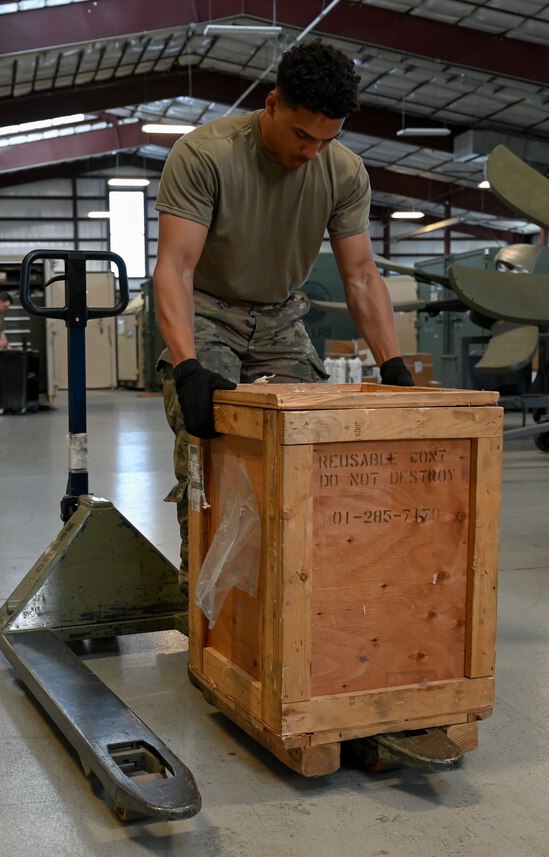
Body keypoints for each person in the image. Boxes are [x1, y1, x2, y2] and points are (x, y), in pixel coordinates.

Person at [153, 38, 415, 591]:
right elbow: (174, 268)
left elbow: (362, 276)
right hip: (208, 311)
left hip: (280, 319)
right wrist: (187, 367)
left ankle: (296, 588)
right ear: (272, 104)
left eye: (327, 139)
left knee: (310, 440)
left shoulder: (344, 173)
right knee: (206, 439)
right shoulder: (205, 155)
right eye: (301, 134)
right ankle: (201, 594)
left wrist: (393, 364)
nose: (310, 153)